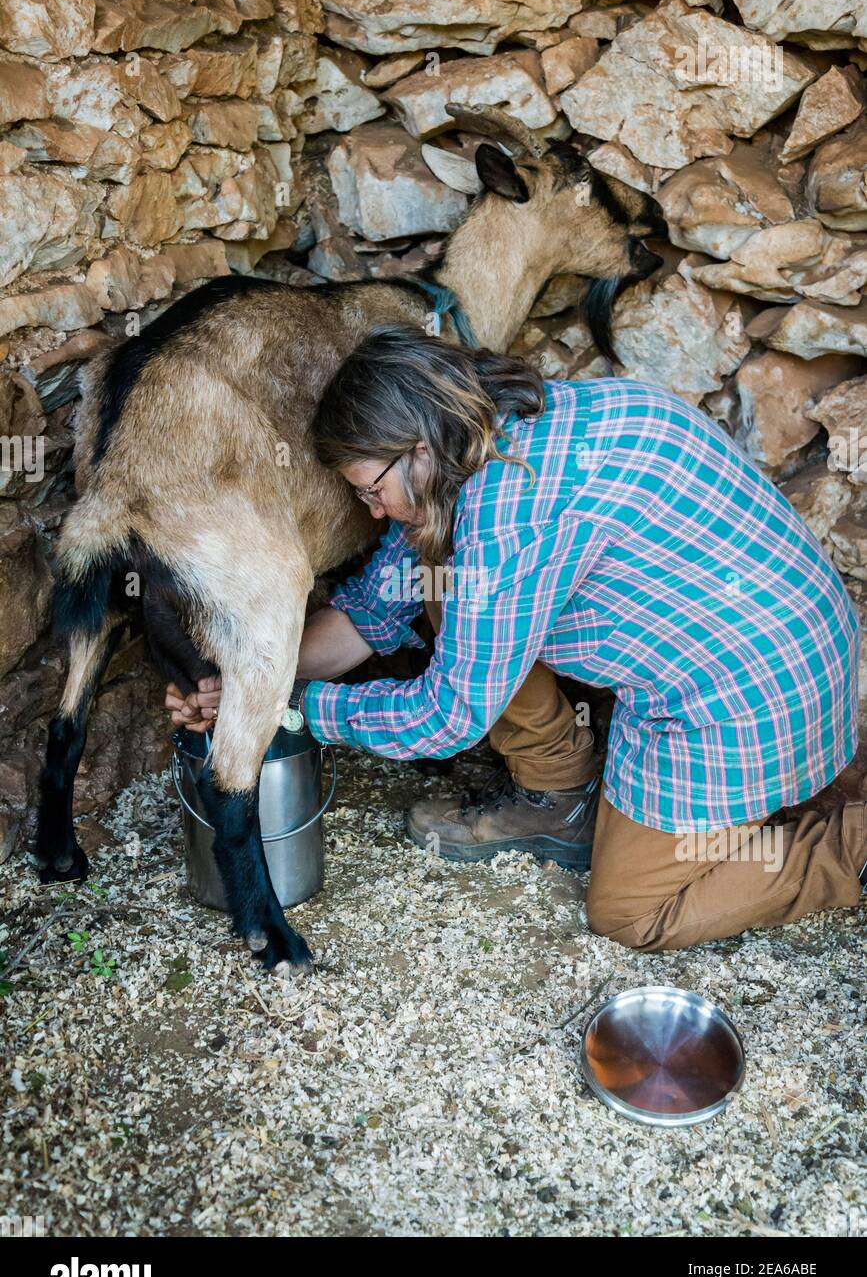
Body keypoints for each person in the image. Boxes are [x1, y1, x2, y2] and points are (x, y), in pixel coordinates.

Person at [166, 324, 866, 952]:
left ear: (414, 451)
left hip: (745, 700)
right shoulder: (502, 431)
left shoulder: (506, 522)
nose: (368, 509)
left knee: (629, 912)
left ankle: (851, 845)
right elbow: (368, 615)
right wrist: (250, 689)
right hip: (786, 639)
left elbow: (444, 718)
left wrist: (299, 711)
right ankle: (560, 799)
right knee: (444, 585)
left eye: (367, 488)